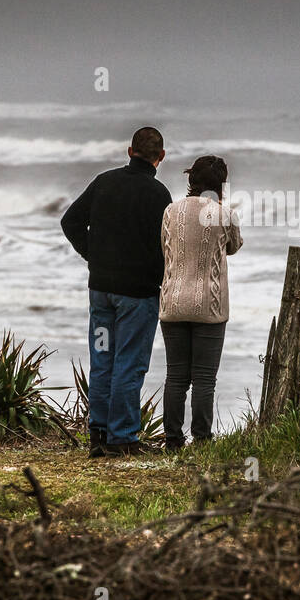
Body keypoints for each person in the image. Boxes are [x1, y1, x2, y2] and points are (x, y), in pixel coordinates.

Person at [61, 127, 171, 457]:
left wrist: (92, 255)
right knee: (129, 364)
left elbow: (70, 222)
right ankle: (122, 439)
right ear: (160, 157)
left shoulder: (104, 182)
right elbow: (166, 246)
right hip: (138, 294)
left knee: (103, 360)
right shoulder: (159, 195)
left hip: (101, 290)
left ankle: (99, 435)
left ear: (129, 151)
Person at [159, 156, 242, 450]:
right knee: (205, 379)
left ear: (191, 180)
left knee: (176, 376)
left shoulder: (171, 211)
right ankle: (203, 441)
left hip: (172, 303)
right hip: (210, 306)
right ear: (221, 184)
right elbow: (234, 246)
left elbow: (165, 250)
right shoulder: (224, 213)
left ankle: (172, 440)